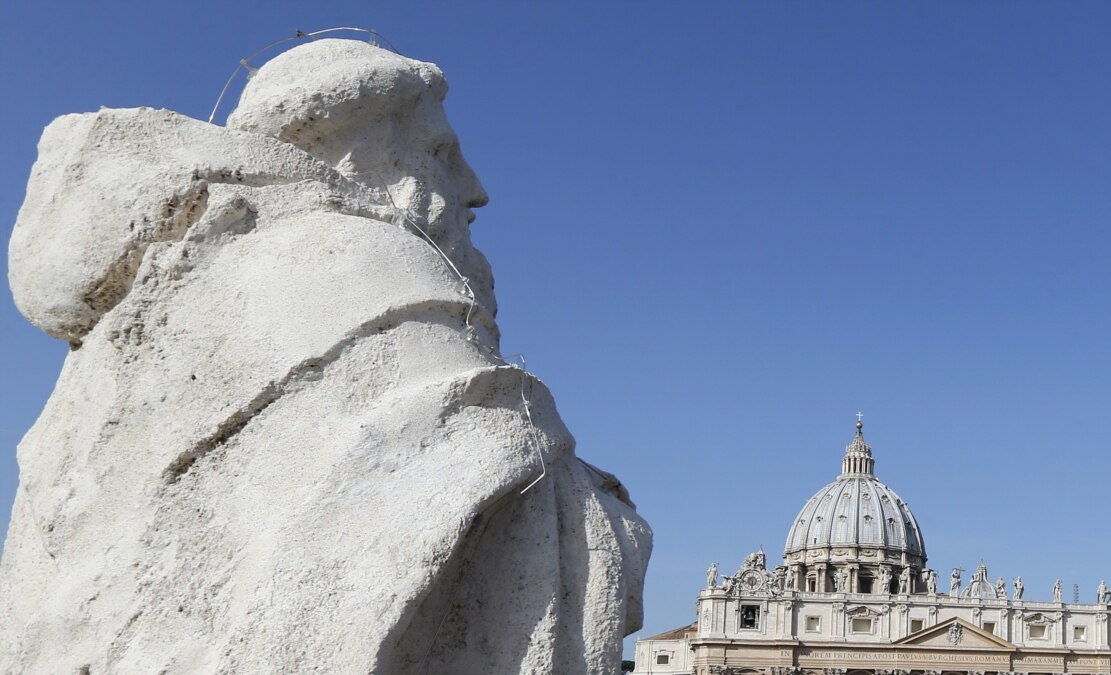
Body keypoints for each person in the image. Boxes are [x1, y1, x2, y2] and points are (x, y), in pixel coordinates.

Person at [0, 39, 650, 674]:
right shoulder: (370, 279)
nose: (474, 191)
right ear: (370, 162)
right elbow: (508, 489)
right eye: (442, 154)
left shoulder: (121, 342)